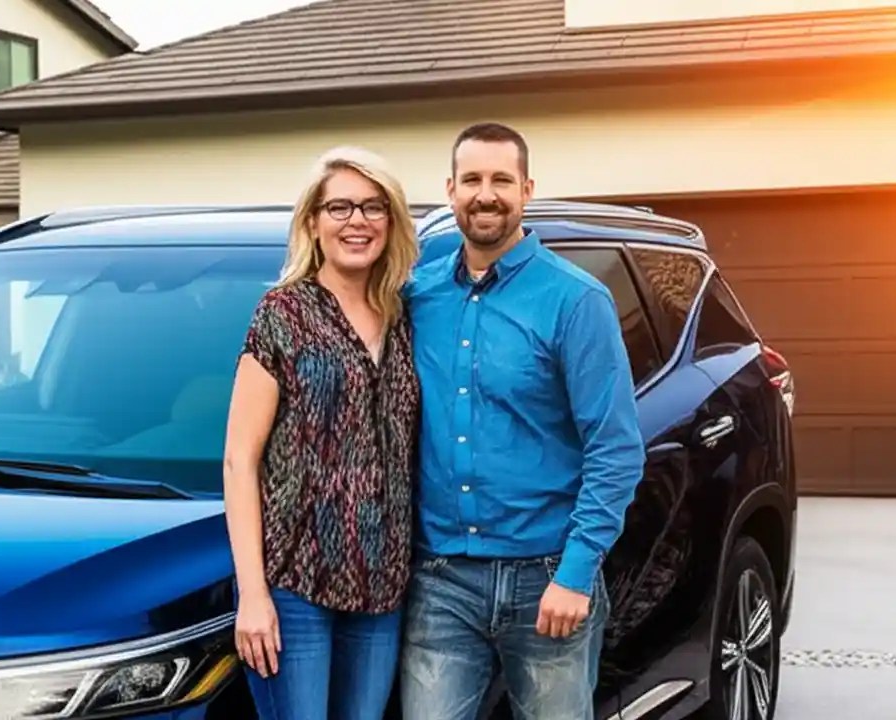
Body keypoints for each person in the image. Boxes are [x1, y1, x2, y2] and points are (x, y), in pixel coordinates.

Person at [399, 122, 647, 720]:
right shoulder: (416, 296)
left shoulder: (575, 301)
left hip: (548, 578)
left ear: (526, 190)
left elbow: (615, 448)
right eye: (471, 180)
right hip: (440, 582)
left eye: (501, 180)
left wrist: (576, 574)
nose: (486, 194)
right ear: (450, 191)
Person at [222, 146, 421, 720]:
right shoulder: (282, 314)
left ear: (392, 221)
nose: (357, 221)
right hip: (294, 584)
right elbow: (240, 459)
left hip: (382, 586)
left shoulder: (406, 316)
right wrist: (253, 594)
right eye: (340, 207)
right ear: (313, 221)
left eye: (373, 207)